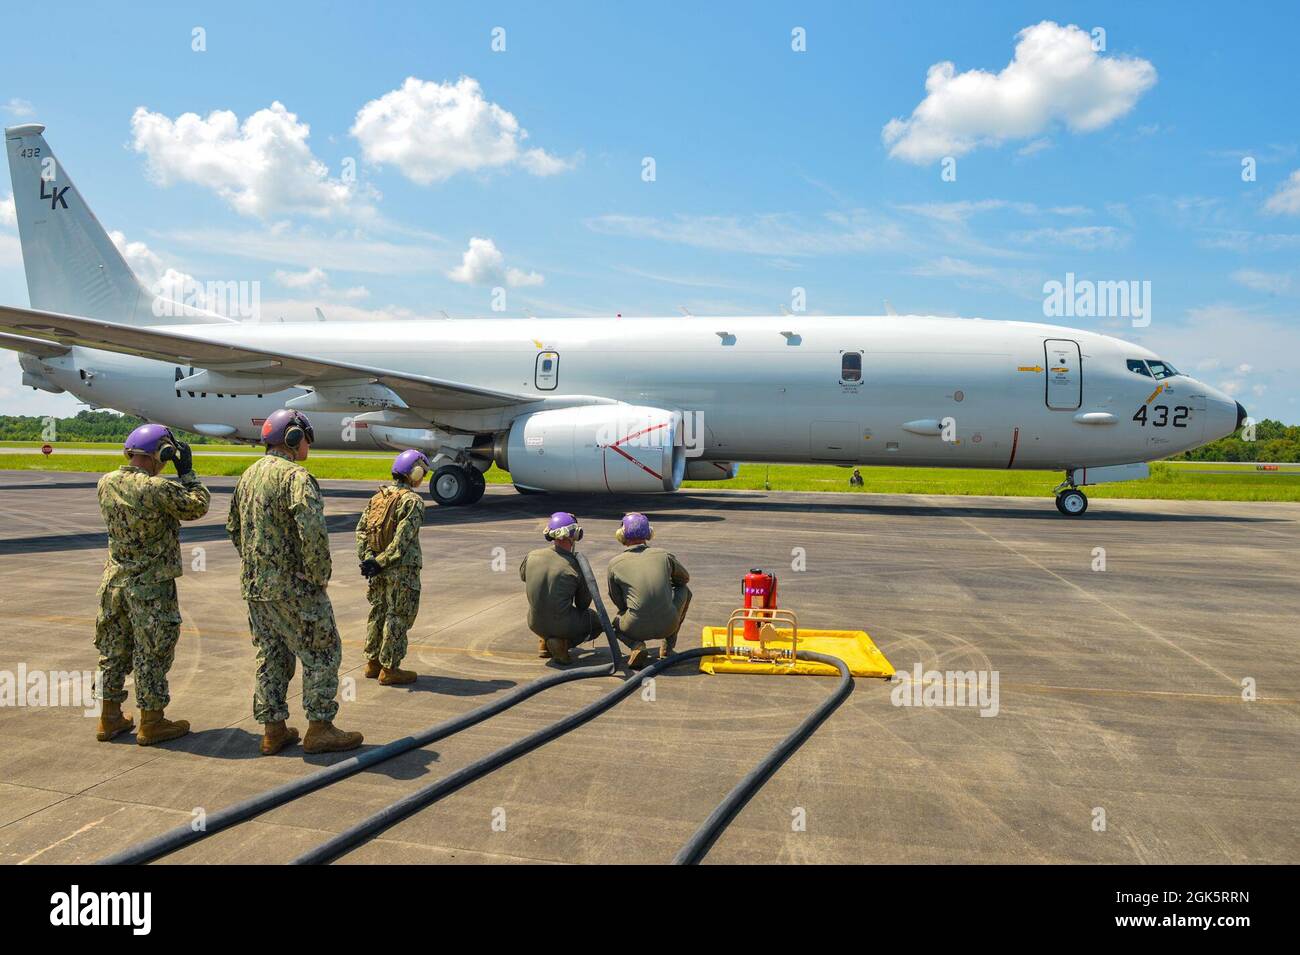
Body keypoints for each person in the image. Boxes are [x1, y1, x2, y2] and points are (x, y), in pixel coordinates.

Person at [226, 409, 363, 756]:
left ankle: (273, 730)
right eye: (305, 437)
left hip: (257, 588)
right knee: (322, 652)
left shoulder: (248, 476)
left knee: (272, 654)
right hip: (294, 588)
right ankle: (319, 727)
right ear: (291, 438)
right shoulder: (296, 477)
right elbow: (312, 531)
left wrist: (257, 564)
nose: (308, 444)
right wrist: (318, 575)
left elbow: (233, 528)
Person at [94, 424, 210, 744]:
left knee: (113, 650)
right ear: (162, 454)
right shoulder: (157, 489)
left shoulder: (106, 483)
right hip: (150, 586)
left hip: (114, 582)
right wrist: (187, 472)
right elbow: (197, 504)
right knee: (152, 652)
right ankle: (152, 720)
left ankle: (108, 717)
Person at [356, 449, 429, 686]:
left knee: (378, 612)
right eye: (422, 473)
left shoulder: (378, 497)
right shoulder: (413, 501)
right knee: (398, 615)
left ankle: (372, 662)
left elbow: (361, 531)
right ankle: (390, 668)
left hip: (376, 568)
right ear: (414, 472)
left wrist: (370, 560)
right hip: (401, 569)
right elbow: (403, 540)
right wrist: (382, 561)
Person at [606, 513, 691, 669]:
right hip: (668, 625)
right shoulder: (664, 556)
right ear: (648, 533)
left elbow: (616, 599)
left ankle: (636, 645)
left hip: (633, 627)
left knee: (613, 624)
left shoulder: (614, 563)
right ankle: (667, 648)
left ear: (622, 535)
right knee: (685, 591)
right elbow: (684, 579)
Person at [519, 512, 602, 664]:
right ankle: (562, 645)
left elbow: (524, 577)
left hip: (534, 623)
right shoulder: (575, 565)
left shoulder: (532, 555)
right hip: (562, 624)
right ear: (574, 534)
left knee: (548, 607)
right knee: (597, 622)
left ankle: (545, 641)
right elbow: (583, 604)